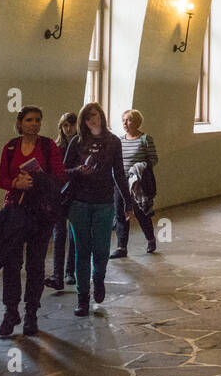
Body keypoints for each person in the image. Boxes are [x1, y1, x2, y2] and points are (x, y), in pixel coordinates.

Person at [0, 106, 66, 338]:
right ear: (20, 123)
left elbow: (60, 177)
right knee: (11, 263)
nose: (33, 124)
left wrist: (37, 178)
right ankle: (10, 311)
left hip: (40, 212)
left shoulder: (48, 146)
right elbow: (1, 178)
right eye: (29, 120)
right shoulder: (11, 147)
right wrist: (16, 183)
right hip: (15, 209)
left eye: (37, 120)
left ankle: (31, 312)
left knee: (35, 264)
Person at [61, 102, 131, 317]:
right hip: (79, 203)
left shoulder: (113, 142)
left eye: (96, 115)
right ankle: (82, 298)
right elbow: (64, 171)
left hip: (103, 202)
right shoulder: (77, 142)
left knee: (101, 249)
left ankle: (98, 278)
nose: (93, 119)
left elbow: (119, 173)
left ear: (101, 116)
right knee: (82, 250)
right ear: (83, 120)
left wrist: (128, 201)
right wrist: (78, 170)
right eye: (88, 116)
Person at [113, 108, 159, 257]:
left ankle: (150, 239)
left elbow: (153, 159)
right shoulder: (119, 140)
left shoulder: (145, 139)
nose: (125, 123)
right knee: (120, 213)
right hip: (120, 183)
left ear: (137, 122)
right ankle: (121, 247)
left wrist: (140, 166)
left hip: (137, 183)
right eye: (123, 120)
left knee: (141, 213)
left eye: (129, 120)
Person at [46, 112, 78, 291]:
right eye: (65, 125)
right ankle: (57, 274)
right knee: (59, 235)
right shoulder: (56, 146)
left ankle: (69, 272)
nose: (68, 129)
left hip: (75, 195)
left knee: (73, 236)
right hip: (58, 195)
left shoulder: (81, 146)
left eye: (71, 125)